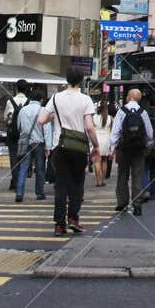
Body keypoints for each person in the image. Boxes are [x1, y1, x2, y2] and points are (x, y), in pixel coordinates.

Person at [37, 69, 98, 235]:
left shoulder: (56, 98)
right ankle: (73, 218)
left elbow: (41, 120)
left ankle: (59, 224)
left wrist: (55, 117)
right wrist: (96, 146)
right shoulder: (85, 99)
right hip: (79, 148)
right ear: (80, 81)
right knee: (77, 184)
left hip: (60, 146)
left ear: (67, 79)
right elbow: (89, 126)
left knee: (61, 186)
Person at [110, 88, 155, 215]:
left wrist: (112, 148)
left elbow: (116, 130)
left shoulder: (122, 111)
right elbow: (150, 133)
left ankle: (122, 202)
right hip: (139, 149)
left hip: (124, 148)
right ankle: (137, 205)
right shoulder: (143, 112)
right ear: (139, 98)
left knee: (122, 176)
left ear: (129, 97)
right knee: (138, 176)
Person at [13, 88, 46, 204]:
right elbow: (46, 129)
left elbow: (19, 127)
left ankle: (19, 193)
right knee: (40, 168)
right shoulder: (43, 110)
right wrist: (48, 146)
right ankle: (40, 193)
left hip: (25, 142)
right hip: (38, 143)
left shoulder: (23, 110)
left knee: (23, 167)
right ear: (41, 99)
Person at [4, 80, 31, 190]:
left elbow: (6, 118)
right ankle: (20, 182)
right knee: (24, 159)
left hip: (13, 134)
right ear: (26, 89)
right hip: (25, 134)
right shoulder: (29, 101)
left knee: (13, 158)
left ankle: (15, 181)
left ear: (16, 88)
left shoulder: (10, 101)